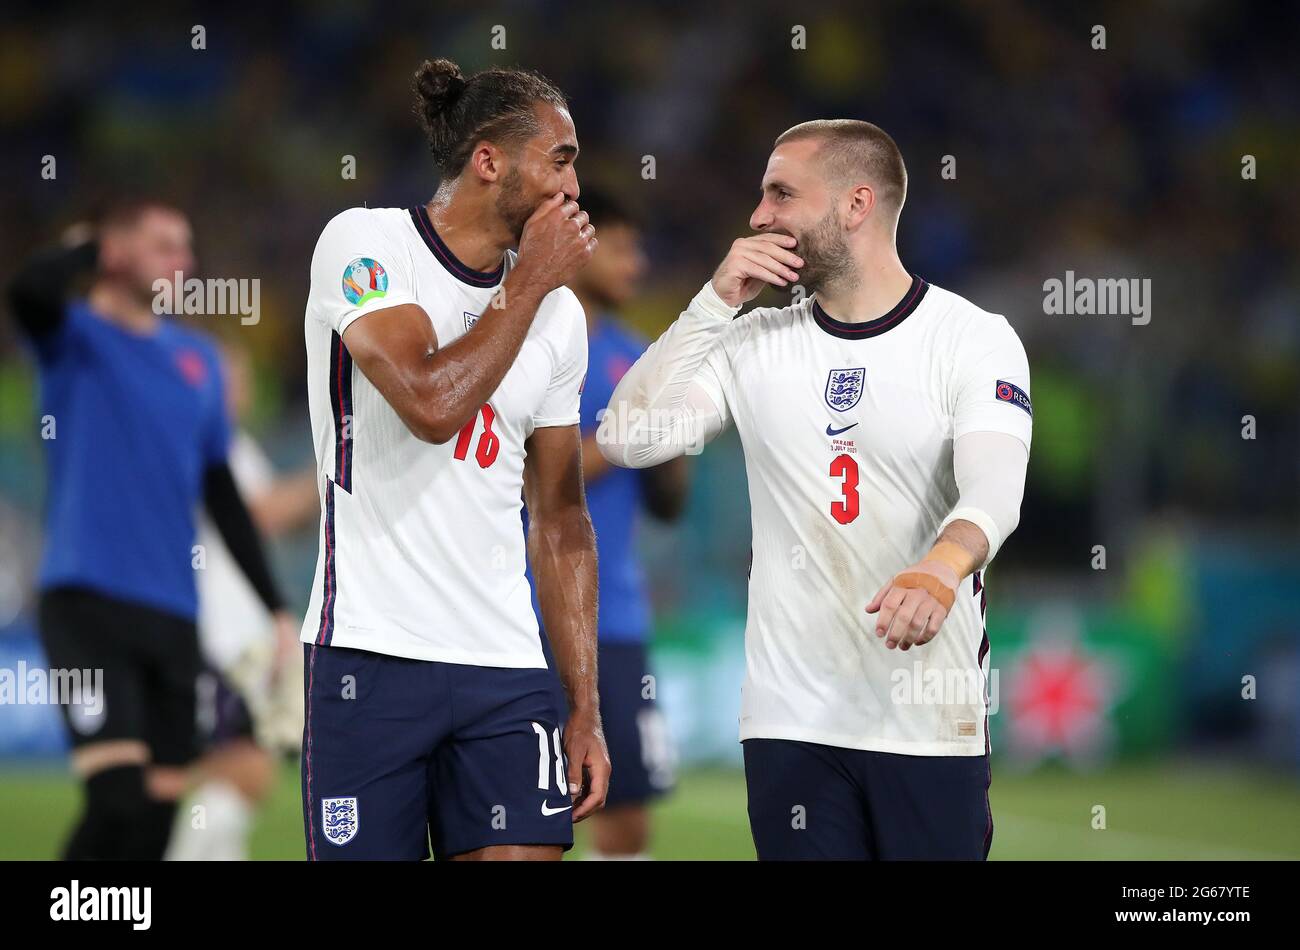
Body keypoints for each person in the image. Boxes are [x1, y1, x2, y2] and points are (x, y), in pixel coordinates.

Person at [599, 120, 1032, 860]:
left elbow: (994, 490)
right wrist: (714, 301)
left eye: (781, 193)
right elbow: (625, 436)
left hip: (926, 717)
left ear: (856, 204)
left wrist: (940, 566)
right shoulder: (753, 342)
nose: (759, 216)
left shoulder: (971, 337)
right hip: (790, 721)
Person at [299, 58, 609, 861]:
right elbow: (432, 404)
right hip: (370, 653)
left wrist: (585, 705)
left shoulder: (562, 318)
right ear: (487, 161)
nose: (575, 190)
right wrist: (530, 283)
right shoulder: (365, 243)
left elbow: (562, 518)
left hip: (504, 669)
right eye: (561, 160)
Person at [5, 201, 294, 860]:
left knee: (157, 818)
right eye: (165, 246)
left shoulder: (197, 361)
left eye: (186, 248)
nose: (184, 263)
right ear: (118, 252)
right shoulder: (72, 337)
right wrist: (88, 248)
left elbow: (220, 491)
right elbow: (27, 290)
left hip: (172, 616)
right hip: (86, 603)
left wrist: (275, 605)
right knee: (117, 801)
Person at [530, 190, 685, 860]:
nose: (637, 263)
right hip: (521, 614)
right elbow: (525, 476)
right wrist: (622, 435)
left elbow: (668, 503)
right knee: (523, 825)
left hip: (614, 616)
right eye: (621, 245)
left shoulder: (639, 356)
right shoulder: (517, 341)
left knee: (626, 823)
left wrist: (672, 437)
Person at [167, 342, 319, 861]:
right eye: (235, 376)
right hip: (219, 635)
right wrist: (337, 463)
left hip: (229, 633)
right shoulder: (218, 447)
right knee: (243, 764)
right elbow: (264, 514)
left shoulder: (228, 445)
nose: (245, 387)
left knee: (243, 765)